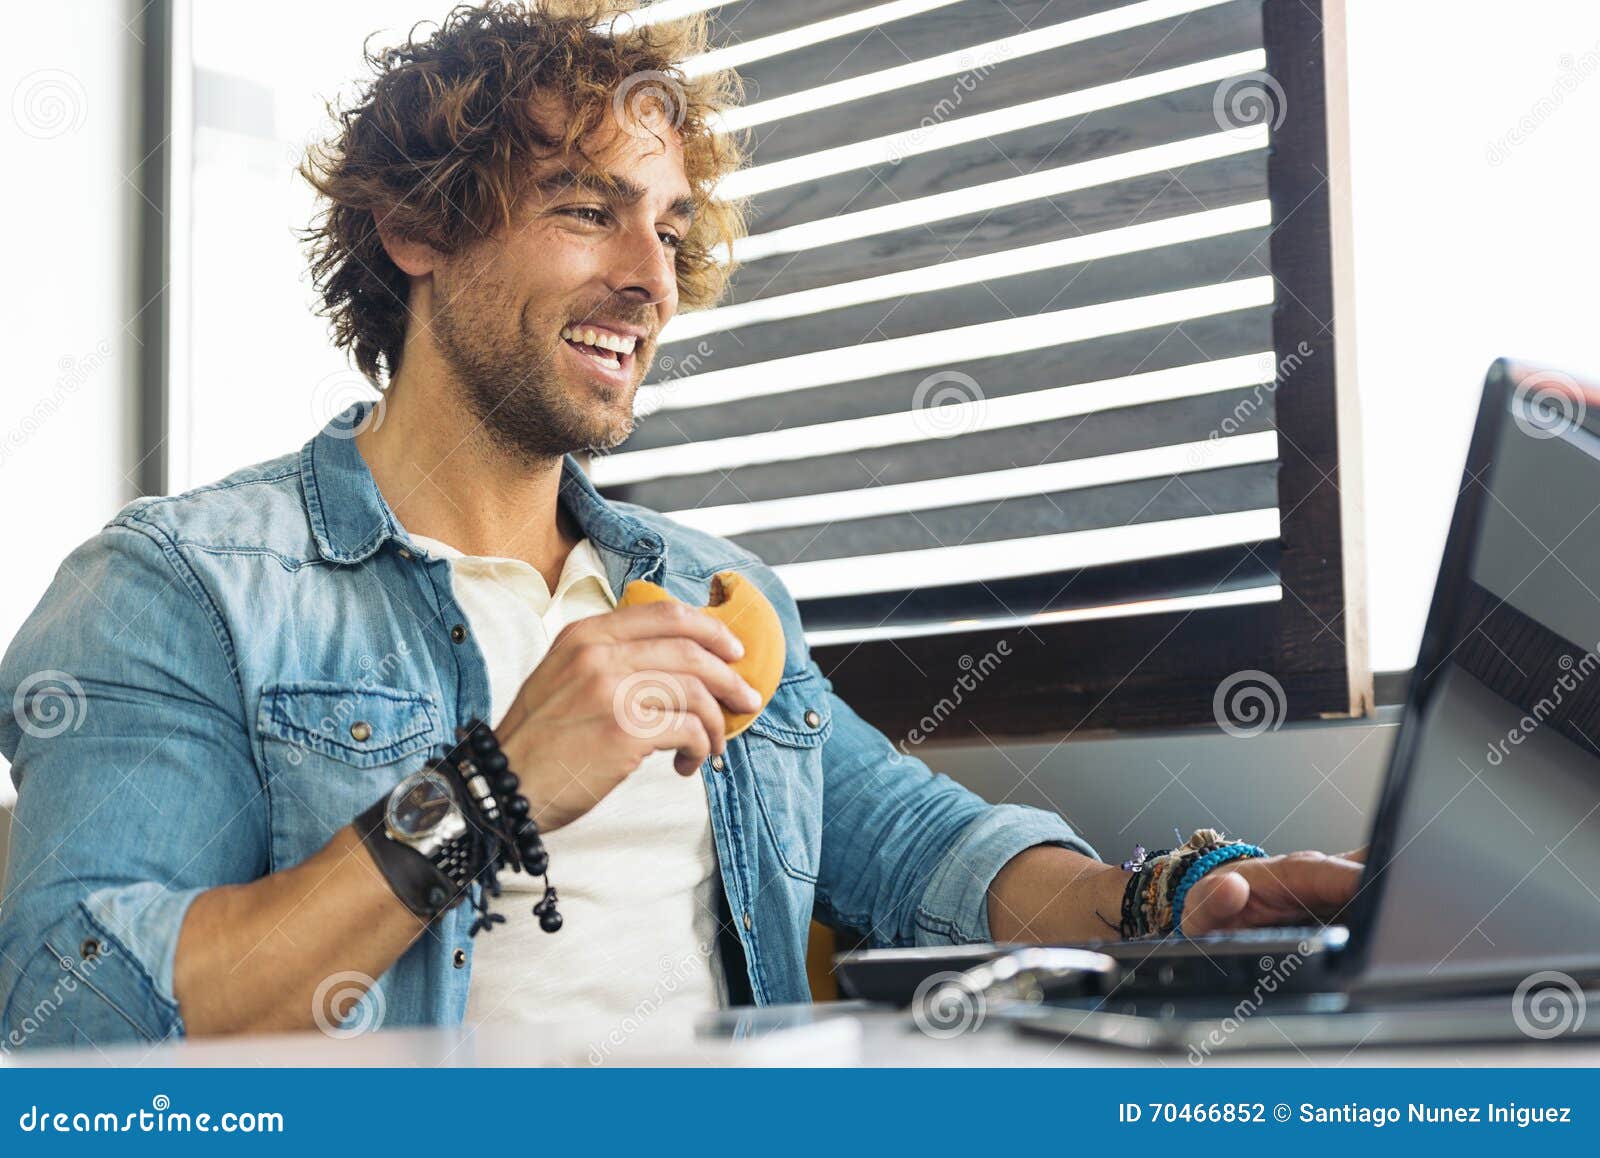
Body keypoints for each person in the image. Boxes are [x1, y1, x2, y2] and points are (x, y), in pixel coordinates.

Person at [0, 1, 1361, 1048]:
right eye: (589, 210)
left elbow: (916, 846)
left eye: (671, 227)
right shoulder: (177, 587)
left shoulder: (715, 593)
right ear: (415, 229)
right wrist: (484, 795)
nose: (652, 279)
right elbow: (75, 1029)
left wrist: (1170, 904)